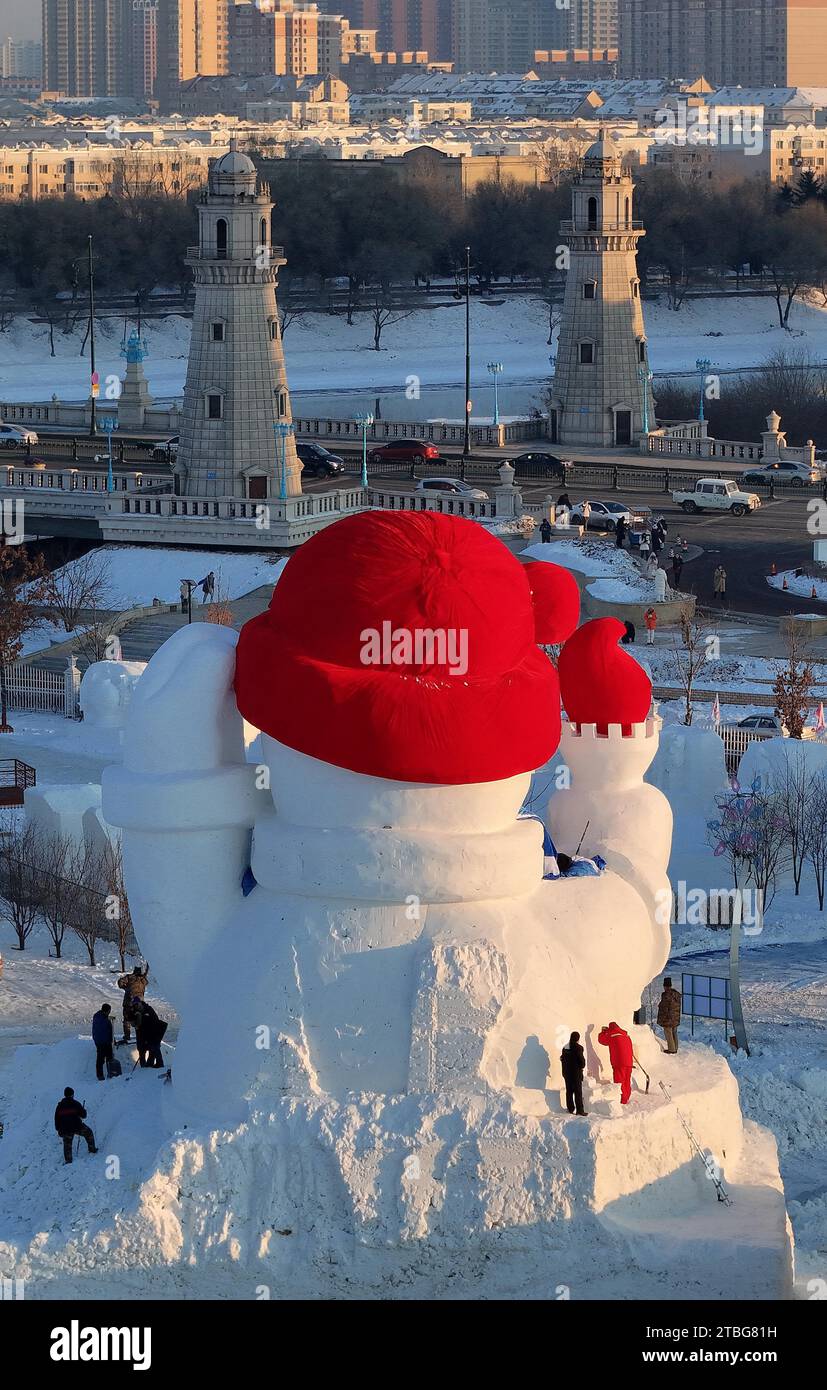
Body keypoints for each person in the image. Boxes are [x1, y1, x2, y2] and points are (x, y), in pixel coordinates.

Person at [54, 1087, 98, 1165]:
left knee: (67, 1144)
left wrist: (58, 1129)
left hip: (65, 1129)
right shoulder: (76, 1104)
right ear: (72, 1095)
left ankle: (68, 1160)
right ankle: (92, 1149)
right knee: (89, 1133)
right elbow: (84, 1115)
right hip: (77, 1127)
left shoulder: (59, 1106)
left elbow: (56, 1119)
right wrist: (84, 1111)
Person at [598, 1021, 634, 1105]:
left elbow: (601, 1040)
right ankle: (627, 1097)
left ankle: (623, 1099)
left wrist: (604, 1032)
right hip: (629, 1062)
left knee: (619, 1081)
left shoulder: (612, 1035)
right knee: (627, 1080)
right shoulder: (626, 1036)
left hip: (619, 1062)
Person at [117, 962, 149, 1043]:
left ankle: (127, 1036)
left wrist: (126, 988)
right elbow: (146, 983)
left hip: (129, 1001)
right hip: (139, 1002)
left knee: (127, 1019)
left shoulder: (129, 977)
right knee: (138, 1019)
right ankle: (139, 1036)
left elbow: (120, 983)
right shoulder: (143, 979)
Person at [560, 1031, 588, 1116]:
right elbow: (581, 1061)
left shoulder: (565, 1048)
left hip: (566, 1073)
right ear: (578, 1039)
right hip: (576, 1073)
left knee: (569, 1091)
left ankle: (570, 1108)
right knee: (578, 1092)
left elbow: (562, 1059)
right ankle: (579, 1110)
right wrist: (582, 1065)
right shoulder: (578, 1047)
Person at [135, 1000, 167, 1069]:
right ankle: (149, 1065)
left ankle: (159, 1064)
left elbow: (151, 1024)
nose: (137, 1006)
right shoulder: (140, 1011)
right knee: (151, 1048)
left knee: (154, 1047)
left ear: (140, 1003)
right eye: (136, 1005)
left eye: (137, 1004)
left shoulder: (148, 1010)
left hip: (154, 1032)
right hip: (148, 1034)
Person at [657, 976, 682, 1053]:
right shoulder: (676, 994)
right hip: (675, 1017)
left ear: (664, 986)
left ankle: (671, 1049)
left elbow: (664, 1007)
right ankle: (675, 1048)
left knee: (668, 1032)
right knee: (674, 1032)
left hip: (668, 1018)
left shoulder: (666, 995)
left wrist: (661, 1018)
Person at [92, 1002, 114, 1081]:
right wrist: (111, 1040)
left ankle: (100, 1075)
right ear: (107, 1011)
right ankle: (111, 1072)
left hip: (98, 1041)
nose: (109, 1013)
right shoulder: (105, 1021)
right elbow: (109, 1031)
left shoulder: (96, 1016)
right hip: (104, 1042)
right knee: (108, 1057)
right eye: (109, 1011)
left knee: (100, 1059)